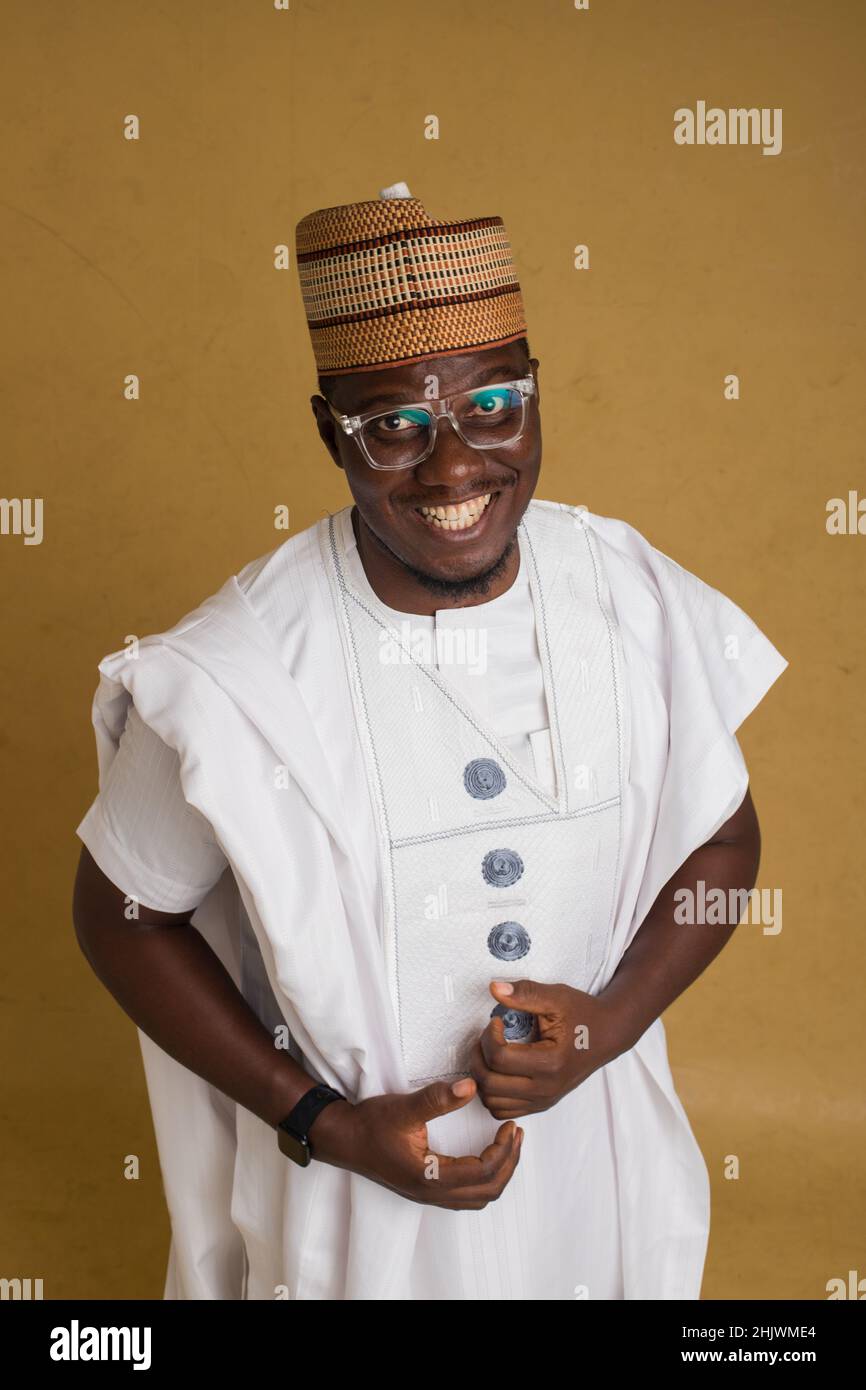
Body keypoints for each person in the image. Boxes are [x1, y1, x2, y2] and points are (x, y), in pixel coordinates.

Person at [72, 181, 787, 1300]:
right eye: (394, 425)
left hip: (593, 1186)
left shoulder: (631, 597)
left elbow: (722, 842)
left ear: (534, 392)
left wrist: (606, 1025)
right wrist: (318, 1120)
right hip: (355, 1219)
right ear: (327, 431)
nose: (453, 468)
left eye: (492, 405)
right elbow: (120, 913)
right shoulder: (238, 669)